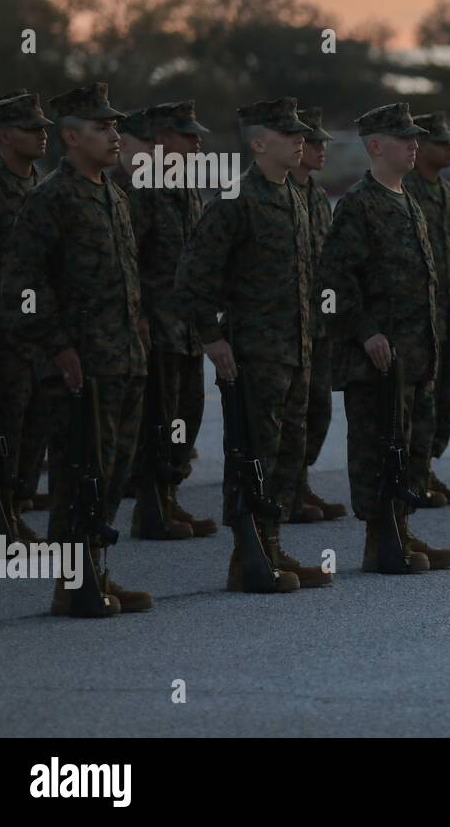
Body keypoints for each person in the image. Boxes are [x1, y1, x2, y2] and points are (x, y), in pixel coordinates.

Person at [3, 83, 153, 616]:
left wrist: (138, 329)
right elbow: (21, 284)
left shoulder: (112, 194)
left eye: (115, 127)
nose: (114, 135)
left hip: (122, 362)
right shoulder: (52, 198)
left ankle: (95, 572)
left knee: (110, 471)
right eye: (101, 127)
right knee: (76, 474)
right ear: (70, 136)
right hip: (78, 366)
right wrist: (58, 348)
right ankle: (73, 585)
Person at [172, 96, 331, 593]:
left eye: (300, 132)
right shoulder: (236, 200)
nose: (300, 140)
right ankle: (248, 553)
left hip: (297, 349)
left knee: (288, 450)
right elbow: (193, 277)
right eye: (289, 135)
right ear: (260, 144)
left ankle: (272, 542)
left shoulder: (297, 199)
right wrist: (212, 338)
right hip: (256, 354)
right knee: (253, 450)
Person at [320, 103, 450, 572]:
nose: (414, 143)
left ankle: (401, 527)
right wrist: (366, 333)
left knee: (411, 446)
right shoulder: (360, 204)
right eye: (404, 138)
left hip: (415, 355)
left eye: (415, 137)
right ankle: (380, 539)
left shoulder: (409, 201)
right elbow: (333, 283)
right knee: (377, 447)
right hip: (376, 357)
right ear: (376, 145)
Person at [126, 100, 218, 539]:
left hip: (188, 326)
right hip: (158, 326)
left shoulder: (188, 187)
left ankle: (169, 497)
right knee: (159, 417)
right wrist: (139, 315)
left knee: (188, 413)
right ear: (161, 139)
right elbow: (127, 258)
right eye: (187, 134)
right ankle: (150, 507)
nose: (197, 140)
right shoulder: (142, 188)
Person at [0, 93, 54, 544]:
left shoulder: (40, 185)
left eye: (43, 126)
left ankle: (15, 505)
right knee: (1, 428)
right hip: (0, 332)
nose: (42, 133)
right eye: (31, 128)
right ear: (4, 136)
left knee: (34, 424)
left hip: (37, 333)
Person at [405, 110, 450, 506]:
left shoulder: (446, 191)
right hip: (420, 319)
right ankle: (412, 474)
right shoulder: (406, 190)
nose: (449, 148)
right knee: (419, 401)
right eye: (441, 142)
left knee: (446, 395)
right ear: (420, 147)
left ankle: (426, 466)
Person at [287, 106, 347, 523]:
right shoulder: (272, 193)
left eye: (323, 141)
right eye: (313, 141)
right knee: (286, 414)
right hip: (282, 328)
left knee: (316, 410)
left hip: (318, 325)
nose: (321, 148)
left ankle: (299, 483)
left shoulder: (317, 196)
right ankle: (282, 492)